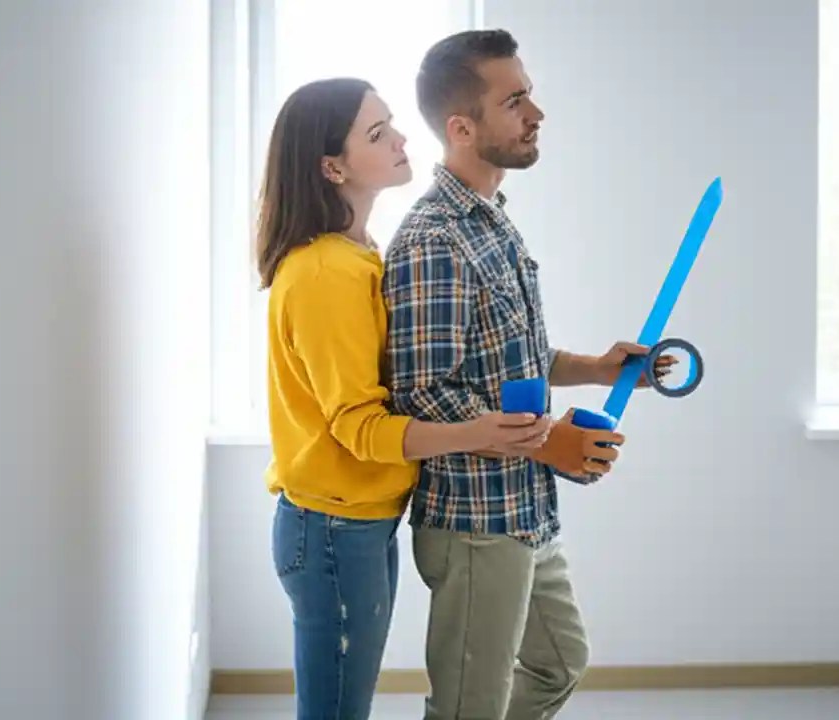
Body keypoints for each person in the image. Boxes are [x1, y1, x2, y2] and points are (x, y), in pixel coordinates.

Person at [383, 30, 675, 719]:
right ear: (462, 128)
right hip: (475, 523)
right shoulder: (434, 239)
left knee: (559, 663)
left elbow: (512, 359)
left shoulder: (492, 224)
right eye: (514, 101)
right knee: (468, 706)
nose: (536, 113)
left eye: (530, 95)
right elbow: (424, 391)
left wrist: (594, 368)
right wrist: (549, 443)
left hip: (525, 511)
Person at [256, 77, 554, 720]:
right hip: (334, 528)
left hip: (354, 520)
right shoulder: (328, 272)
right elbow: (359, 426)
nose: (399, 138)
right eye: (375, 133)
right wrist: (479, 432)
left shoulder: (360, 256)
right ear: (332, 167)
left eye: (391, 123)